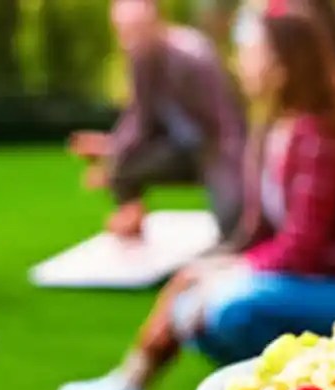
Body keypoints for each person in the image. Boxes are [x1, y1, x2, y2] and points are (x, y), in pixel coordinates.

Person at [57, 10, 335, 390]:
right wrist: (206, 270)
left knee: (233, 308)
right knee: (197, 291)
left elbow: (304, 250)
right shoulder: (274, 129)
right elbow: (258, 231)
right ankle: (132, 386)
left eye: (251, 51)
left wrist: (226, 275)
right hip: (329, 280)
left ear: (282, 66)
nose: (239, 61)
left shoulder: (321, 137)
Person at [71, 0, 246, 240]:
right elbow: (139, 118)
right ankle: (132, 214)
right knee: (121, 167)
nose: (129, 40)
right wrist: (112, 149)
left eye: (135, 30)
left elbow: (226, 125)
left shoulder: (192, 57)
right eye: (123, 32)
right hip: (177, 148)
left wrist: (235, 168)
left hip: (215, 148)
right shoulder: (140, 58)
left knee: (232, 221)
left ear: (155, 23)